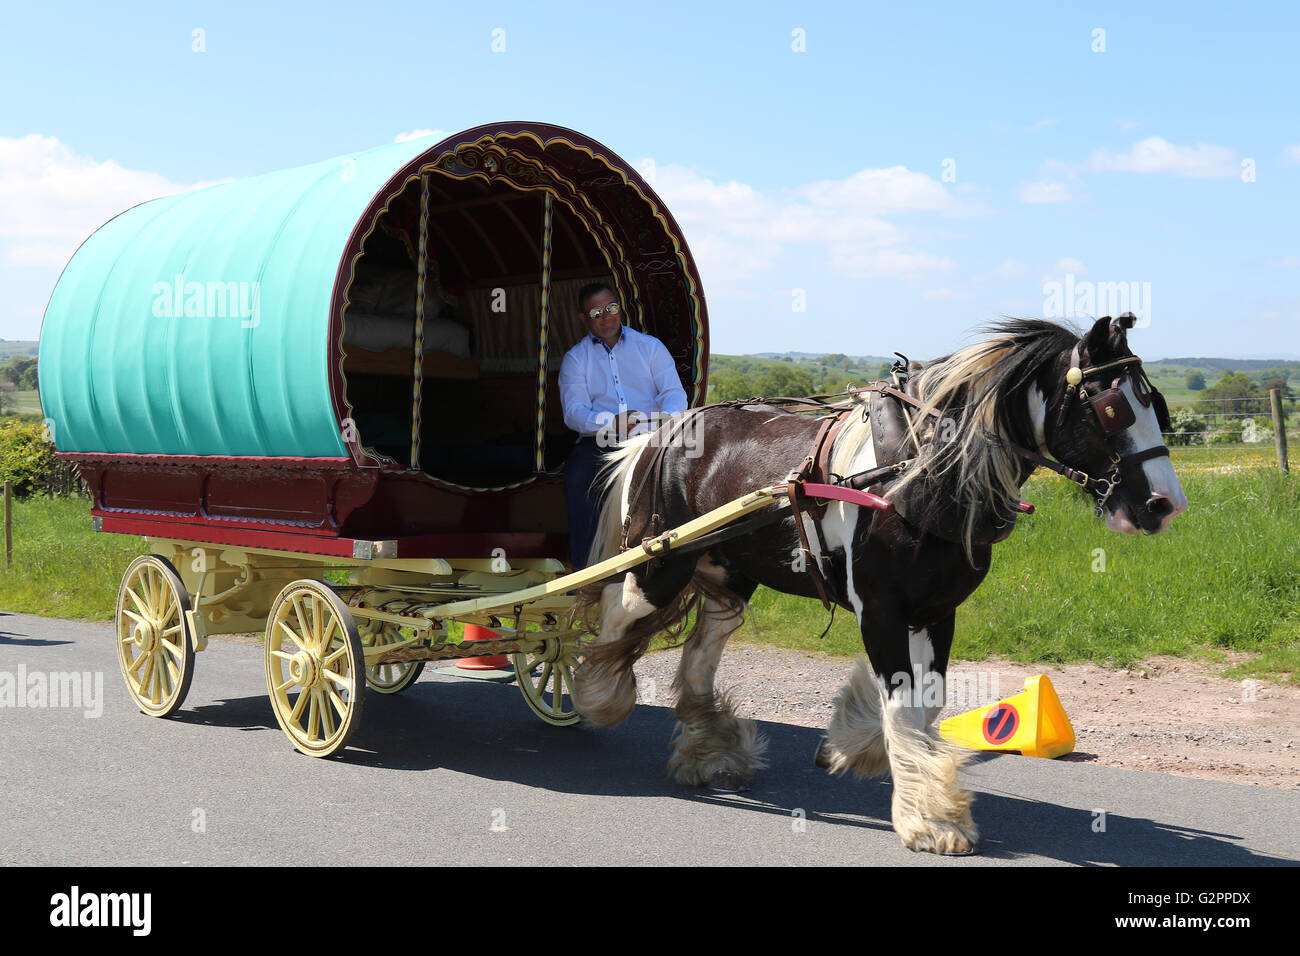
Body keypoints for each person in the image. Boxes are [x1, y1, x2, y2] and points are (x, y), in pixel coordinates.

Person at [558, 282, 688, 568]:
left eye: (611, 308)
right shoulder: (576, 359)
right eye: (596, 312)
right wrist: (611, 422)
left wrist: (662, 424)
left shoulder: (650, 347)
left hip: (654, 438)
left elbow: (674, 395)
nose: (606, 317)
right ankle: (586, 573)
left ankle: (683, 563)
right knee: (578, 478)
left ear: (620, 308)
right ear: (583, 318)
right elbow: (574, 413)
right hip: (600, 442)